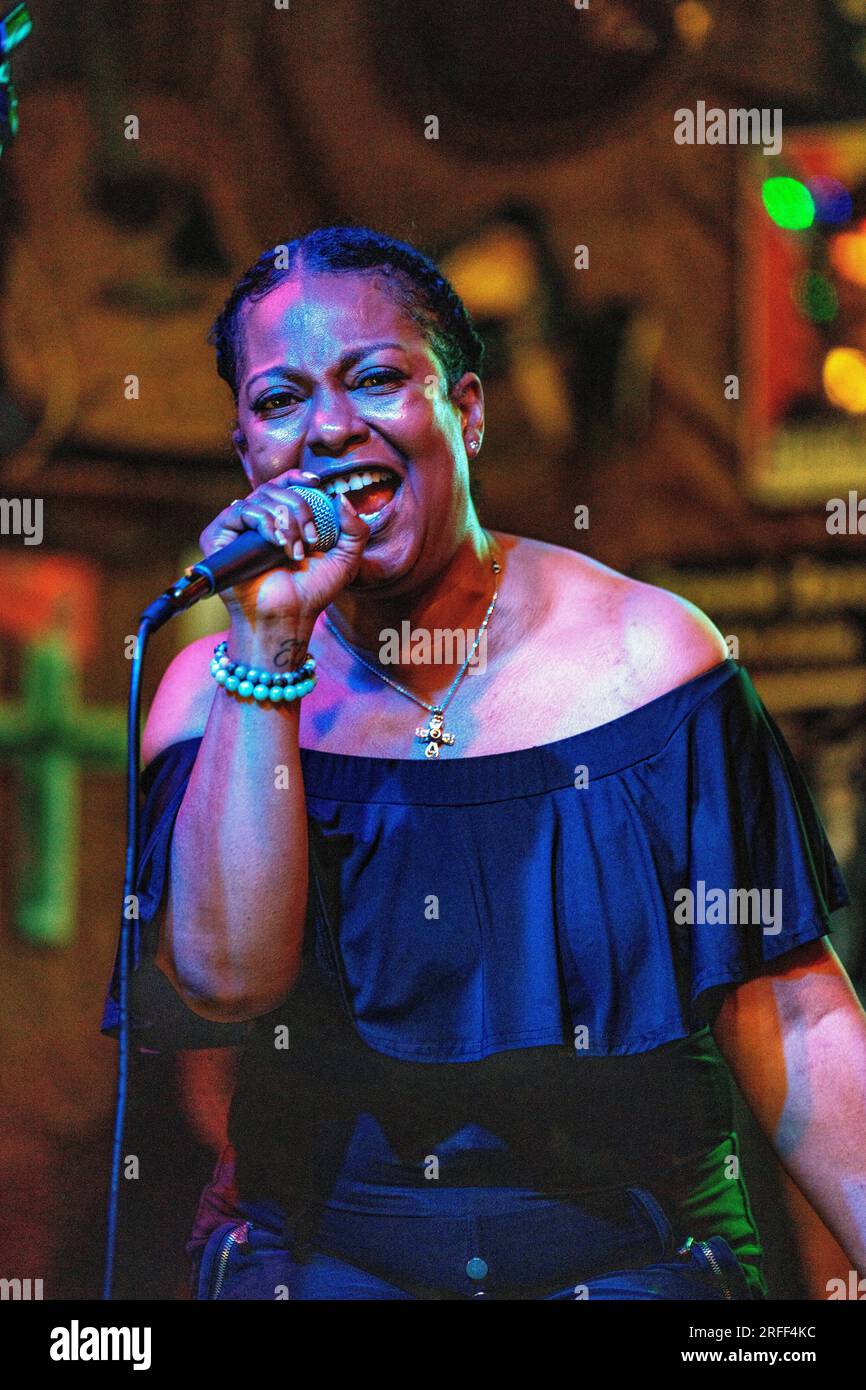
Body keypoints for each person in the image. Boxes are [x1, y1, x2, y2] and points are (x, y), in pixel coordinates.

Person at [102, 226, 865, 1301]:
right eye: (279, 401)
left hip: (629, 1264)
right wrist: (268, 652)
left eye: (375, 378)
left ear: (464, 411)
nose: (328, 428)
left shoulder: (647, 661)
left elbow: (787, 1010)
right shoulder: (207, 690)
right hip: (324, 1264)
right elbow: (226, 985)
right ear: (246, 456)